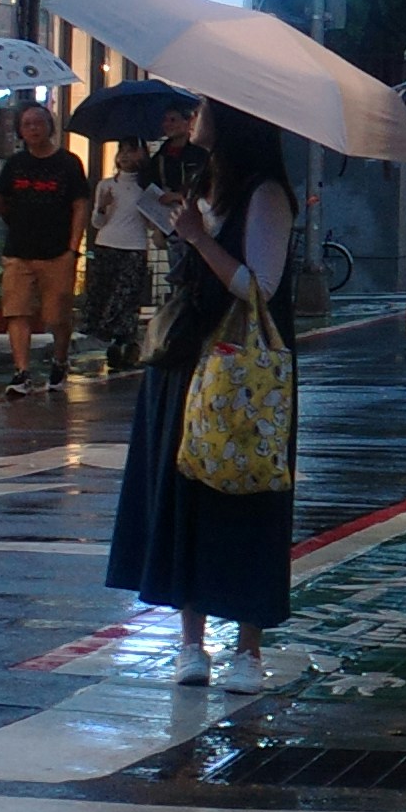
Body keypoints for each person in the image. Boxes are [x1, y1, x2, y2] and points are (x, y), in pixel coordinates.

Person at [101, 104, 300, 676]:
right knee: (186, 489)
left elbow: (258, 285)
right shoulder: (204, 181)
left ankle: (248, 647)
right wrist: (181, 230)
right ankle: (190, 641)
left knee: (245, 492)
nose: (194, 118)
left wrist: (198, 237)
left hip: (243, 371)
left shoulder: (266, 195)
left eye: (206, 108)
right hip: (185, 361)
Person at [0, 96, 90, 388]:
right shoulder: (16, 164)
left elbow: (80, 205)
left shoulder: (68, 163)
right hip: (18, 250)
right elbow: (0, 204)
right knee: (16, 310)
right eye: (26, 124)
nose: (33, 129)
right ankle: (21, 371)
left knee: (56, 315)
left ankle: (59, 358)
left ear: (49, 126)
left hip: (56, 252)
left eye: (38, 123)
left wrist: (73, 248)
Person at [80, 141, 159, 369]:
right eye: (121, 151)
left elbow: (152, 223)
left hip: (134, 246)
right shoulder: (106, 186)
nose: (125, 156)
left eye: (131, 151)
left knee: (126, 296)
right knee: (105, 293)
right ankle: (116, 339)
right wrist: (102, 207)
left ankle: (123, 339)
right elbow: (96, 222)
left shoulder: (147, 188)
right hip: (107, 244)